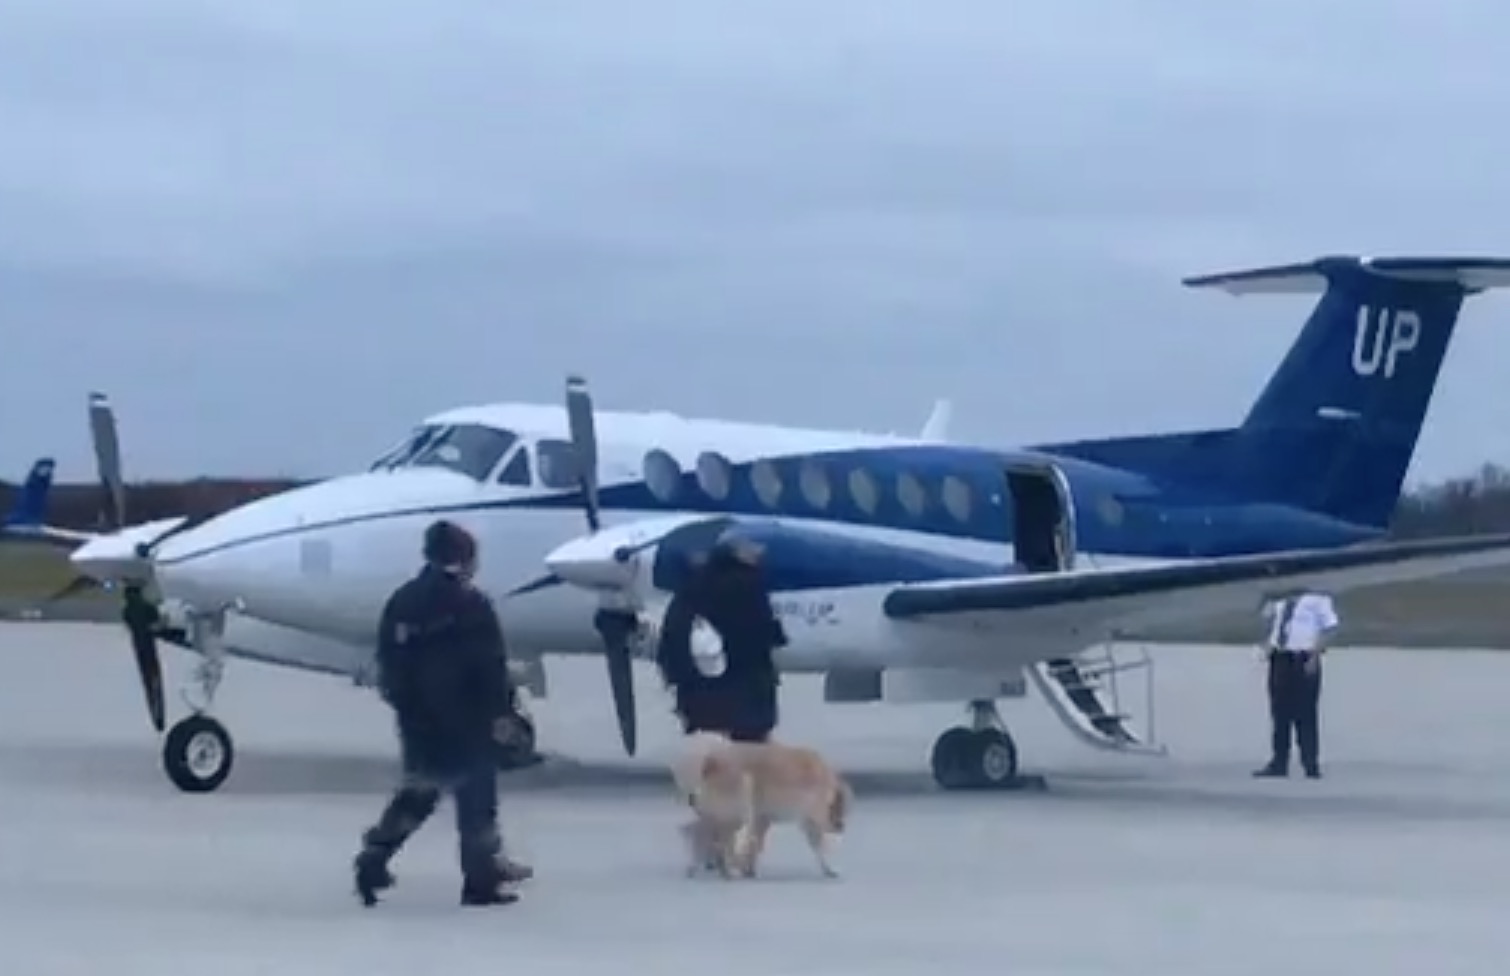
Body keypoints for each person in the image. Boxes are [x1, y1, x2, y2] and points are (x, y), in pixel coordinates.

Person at [353, 520, 533, 908]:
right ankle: (481, 879)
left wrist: (404, 704)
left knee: (417, 795)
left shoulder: (402, 601)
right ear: (464, 559)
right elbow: (489, 666)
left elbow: (389, 660)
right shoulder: (473, 605)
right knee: (477, 803)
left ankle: (374, 856)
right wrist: (502, 714)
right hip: (467, 721)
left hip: (418, 719)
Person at [658, 530, 788, 743]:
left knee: (711, 742)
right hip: (745, 683)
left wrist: (675, 672)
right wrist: (776, 635)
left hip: (701, 684)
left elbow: (675, 629)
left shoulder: (693, 585)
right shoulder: (748, 584)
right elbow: (760, 628)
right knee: (751, 744)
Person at [1253, 588, 1339, 780]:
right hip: (1280, 657)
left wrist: (1316, 653)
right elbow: (1267, 620)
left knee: (1305, 713)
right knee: (1279, 712)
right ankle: (1279, 762)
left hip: (1303, 657)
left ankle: (1310, 763)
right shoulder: (1280, 597)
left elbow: (1330, 628)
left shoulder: (1318, 599)